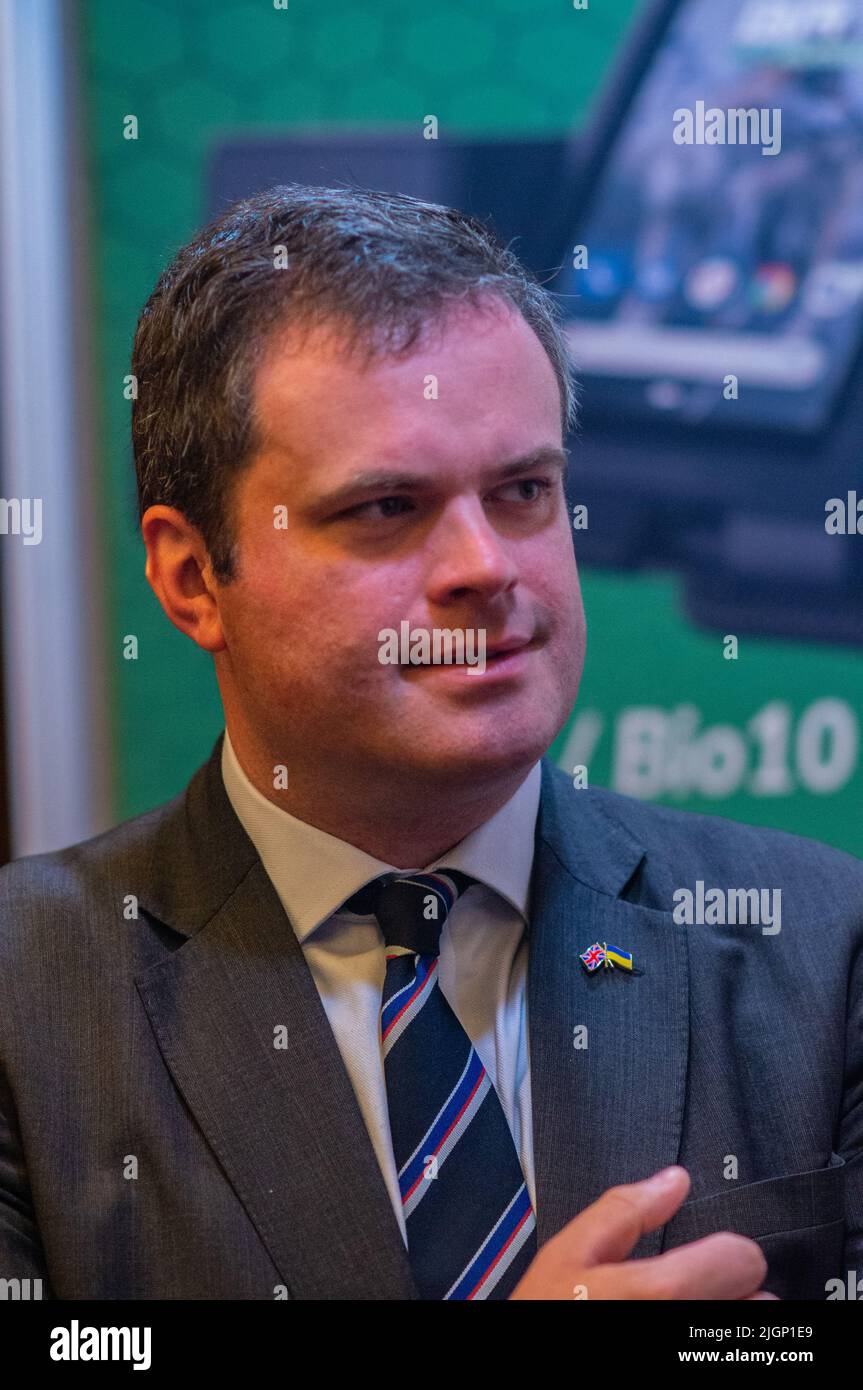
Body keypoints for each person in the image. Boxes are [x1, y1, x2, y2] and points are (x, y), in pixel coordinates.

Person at [0, 185, 859, 1301]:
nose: (485, 567)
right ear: (189, 575)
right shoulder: (29, 1003)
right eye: (386, 509)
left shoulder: (819, 948)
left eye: (522, 491)